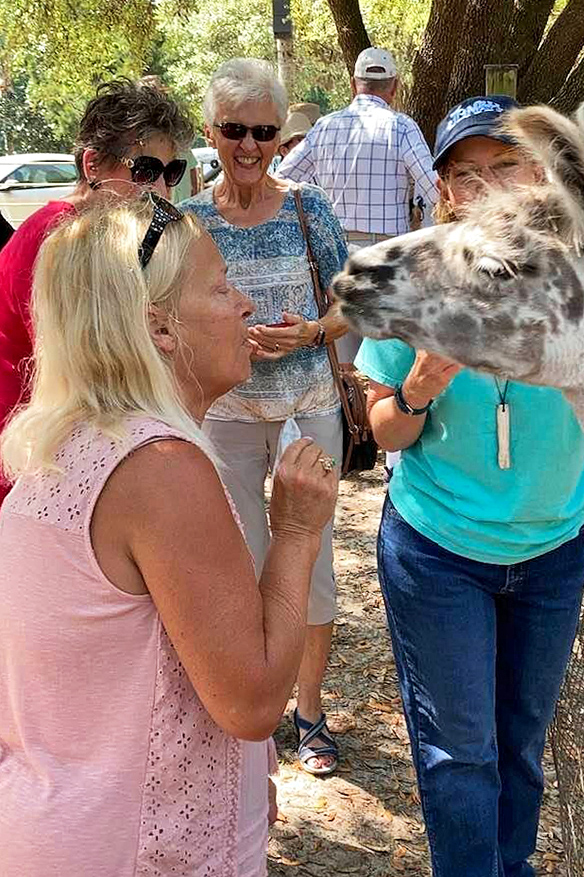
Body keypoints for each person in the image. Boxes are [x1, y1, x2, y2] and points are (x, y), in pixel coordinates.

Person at [0, 195, 338, 875]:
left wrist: (244, 773)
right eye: (219, 287)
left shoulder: (69, 444)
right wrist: (297, 531)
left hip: (58, 829)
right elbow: (250, 698)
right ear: (158, 326)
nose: (244, 304)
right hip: (134, 848)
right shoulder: (161, 469)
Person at [355, 95, 584, 877]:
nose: (486, 187)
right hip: (439, 551)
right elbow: (386, 430)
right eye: (465, 174)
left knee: (521, 741)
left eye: (505, 166)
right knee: (461, 751)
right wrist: (421, 383)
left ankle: (510, 864)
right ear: (445, 192)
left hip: (554, 544)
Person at [181, 58, 349, 775]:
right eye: (234, 129)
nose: (249, 145)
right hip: (224, 419)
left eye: (264, 131)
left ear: (281, 135)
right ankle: (252, 712)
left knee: (311, 563)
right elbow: (164, 319)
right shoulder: (188, 223)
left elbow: (353, 304)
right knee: (237, 561)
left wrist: (310, 332)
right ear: (211, 132)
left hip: (308, 411)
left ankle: (308, 713)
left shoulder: (310, 208)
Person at [0, 77, 193, 505]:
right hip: (30, 460)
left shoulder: (116, 239)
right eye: (144, 170)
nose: (160, 190)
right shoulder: (55, 239)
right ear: (92, 165)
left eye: (171, 172)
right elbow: (87, 365)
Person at [277, 46, 438, 373]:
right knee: (383, 369)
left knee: (343, 363)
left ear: (354, 84)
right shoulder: (401, 127)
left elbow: (281, 181)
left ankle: (348, 423)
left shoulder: (324, 127)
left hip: (334, 258)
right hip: (386, 259)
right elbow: (432, 188)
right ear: (394, 87)